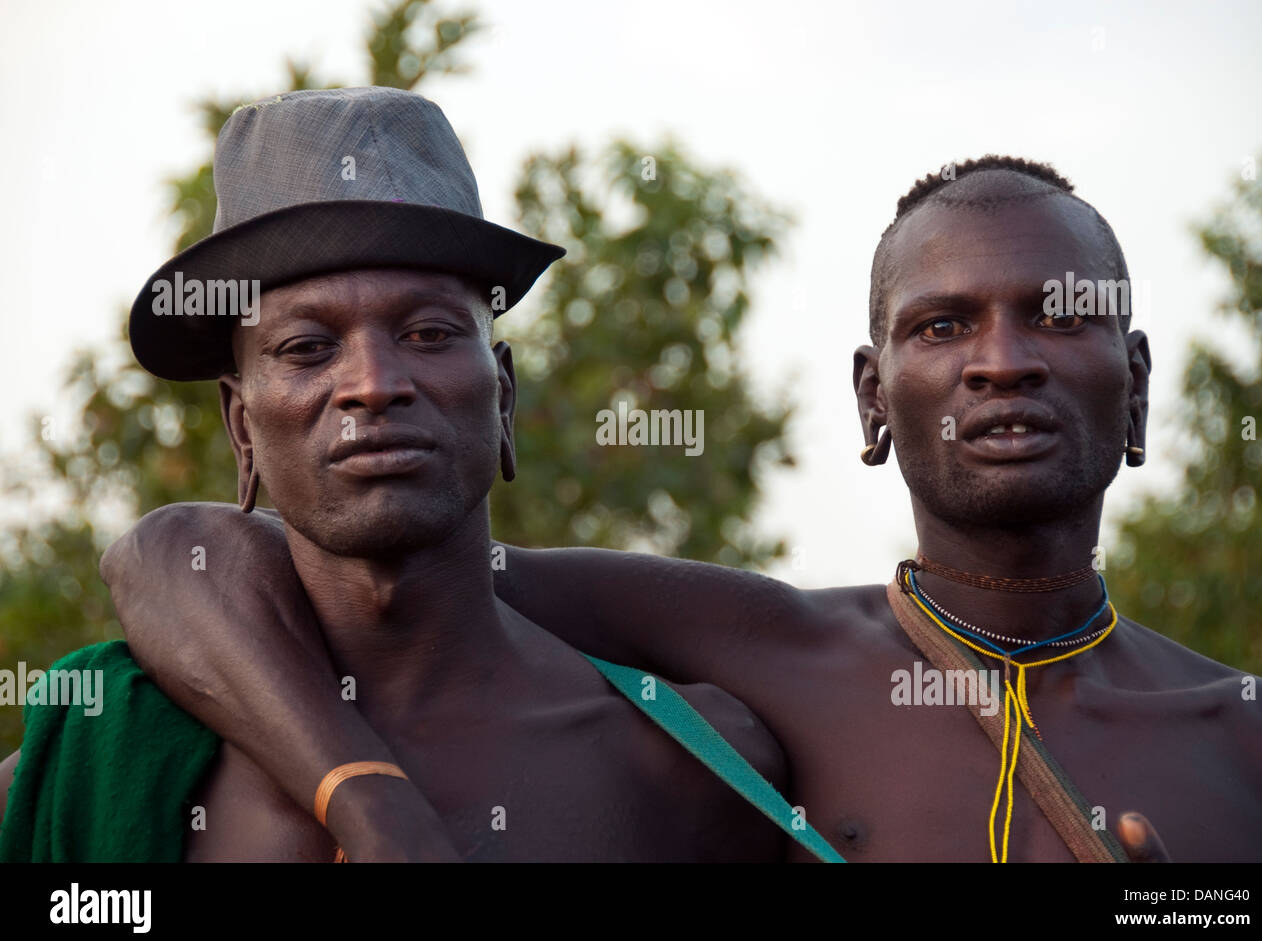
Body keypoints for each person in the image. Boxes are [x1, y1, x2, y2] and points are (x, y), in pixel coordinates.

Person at [0, 87, 818, 863]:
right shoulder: (101, 760)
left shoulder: (690, 769)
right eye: (307, 348)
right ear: (241, 426)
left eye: (427, 333)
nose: (372, 383)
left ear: (501, 396)